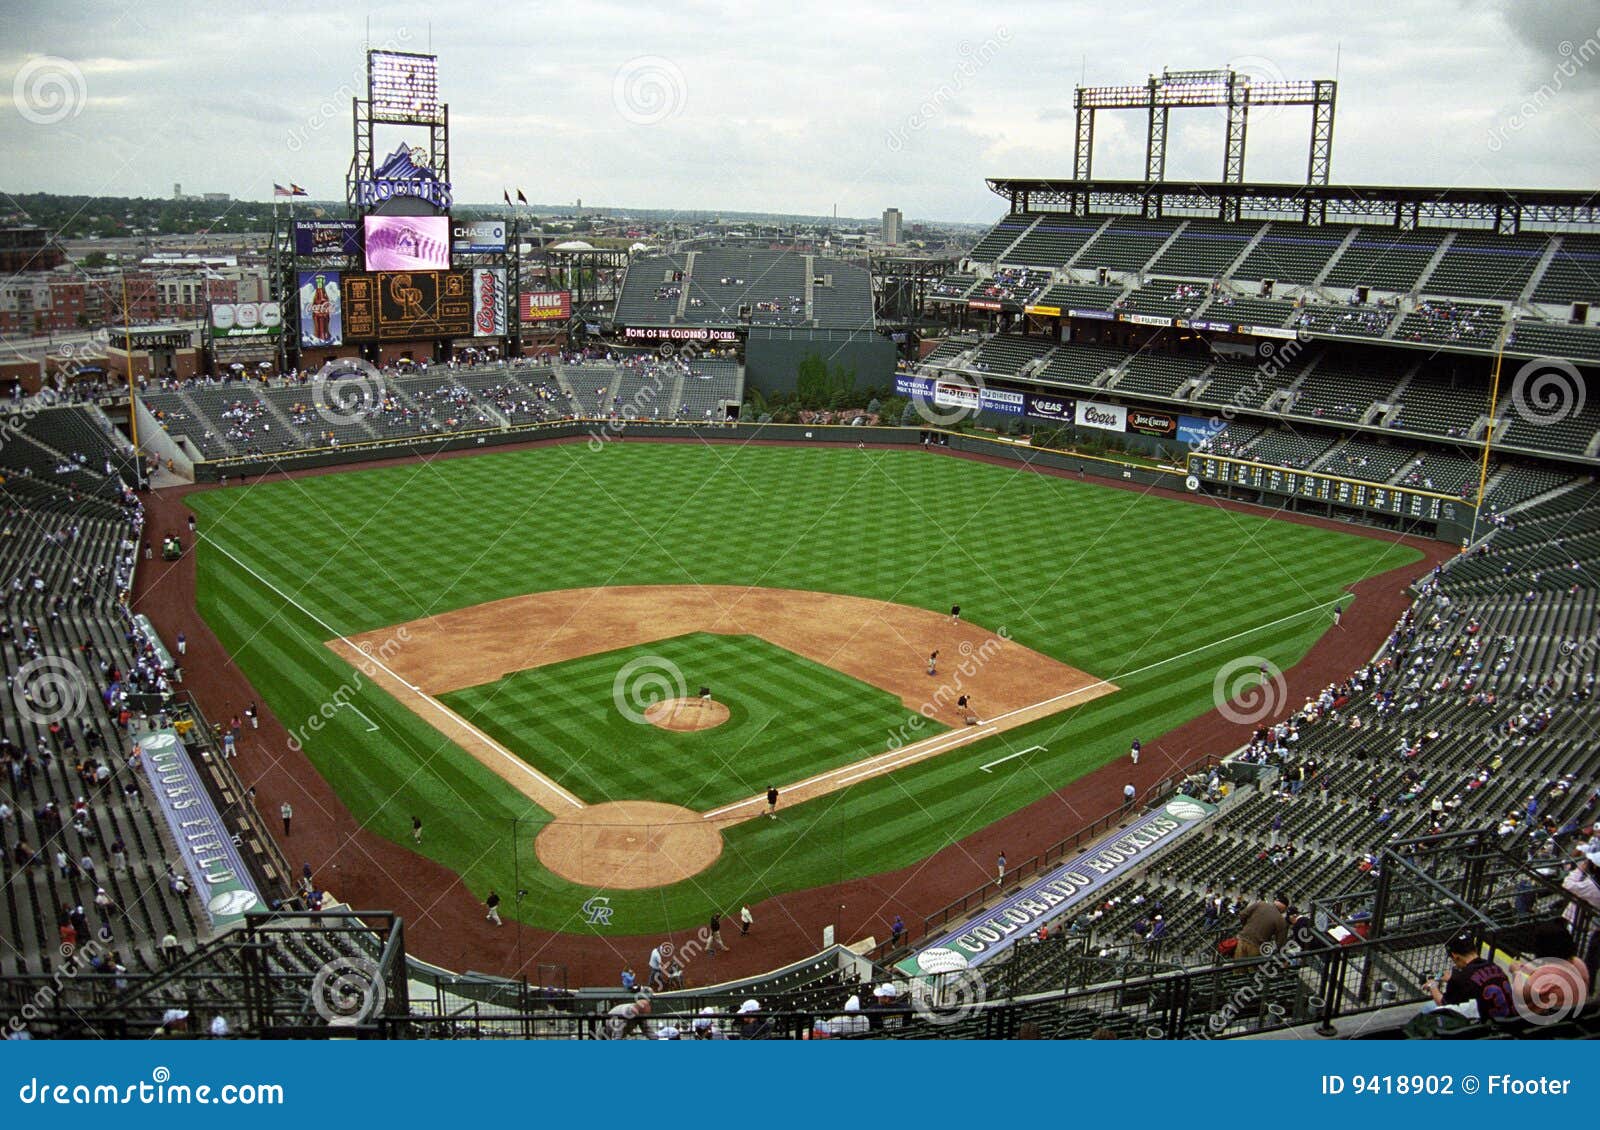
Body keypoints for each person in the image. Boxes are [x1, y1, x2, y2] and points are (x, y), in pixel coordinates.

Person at [1508, 920, 1590, 1018]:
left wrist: (1516, 972)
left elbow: (1521, 997)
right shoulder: (1578, 963)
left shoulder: (1545, 974)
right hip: (1571, 1018)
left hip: (1541, 1021)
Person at [1423, 933, 1513, 1020]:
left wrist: (1432, 985)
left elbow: (1444, 1005)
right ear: (1475, 949)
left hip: (1487, 1025)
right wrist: (1451, 980)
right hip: (1509, 1020)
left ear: (1455, 956)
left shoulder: (1460, 976)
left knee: (1428, 1007)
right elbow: (1475, 983)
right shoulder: (1494, 966)